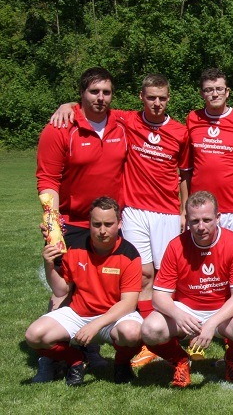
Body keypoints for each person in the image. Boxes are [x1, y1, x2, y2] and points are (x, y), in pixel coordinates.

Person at [47, 74, 192, 368]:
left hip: (166, 211)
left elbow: (185, 174)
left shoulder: (179, 131)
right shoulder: (128, 120)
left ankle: (160, 337)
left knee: (166, 278)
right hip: (133, 210)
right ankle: (63, 350)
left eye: (162, 98)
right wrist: (69, 105)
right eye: (151, 97)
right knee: (141, 275)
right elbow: (92, 106)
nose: (156, 103)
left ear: (169, 98)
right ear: (141, 97)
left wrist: (184, 211)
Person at [35, 66, 127, 378]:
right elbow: (47, 180)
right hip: (71, 223)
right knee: (63, 290)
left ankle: (92, 350)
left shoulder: (122, 122)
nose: (101, 98)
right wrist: (52, 226)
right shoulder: (61, 127)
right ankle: (53, 357)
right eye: (94, 92)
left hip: (109, 224)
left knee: (101, 287)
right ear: (81, 94)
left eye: (106, 92)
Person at [141, 191, 233, 387]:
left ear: (218, 218)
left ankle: (232, 359)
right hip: (187, 310)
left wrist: (211, 324)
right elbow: (159, 296)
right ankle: (179, 360)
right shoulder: (176, 245)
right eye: (195, 221)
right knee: (150, 329)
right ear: (186, 220)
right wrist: (179, 315)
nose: (201, 227)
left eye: (207, 219)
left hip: (222, 310)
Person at [25, 197, 143, 386]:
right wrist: (49, 265)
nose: (102, 231)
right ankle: (76, 359)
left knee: (133, 332)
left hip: (113, 317)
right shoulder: (75, 247)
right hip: (79, 314)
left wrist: (96, 325)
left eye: (108, 224)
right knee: (34, 336)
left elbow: (128, 304)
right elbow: (61, 289)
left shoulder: (130, 254)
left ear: (120, 224)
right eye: (97, 224)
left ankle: (121, 364)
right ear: (89, 223)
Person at [185, 68, 233, 256]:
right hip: (201, 209)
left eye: (219, 89)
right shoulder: (193, 118)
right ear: (202, 93)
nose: (214, 93)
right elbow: (189, 165)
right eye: (209, 89)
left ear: (227, 92)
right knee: (200, 261)